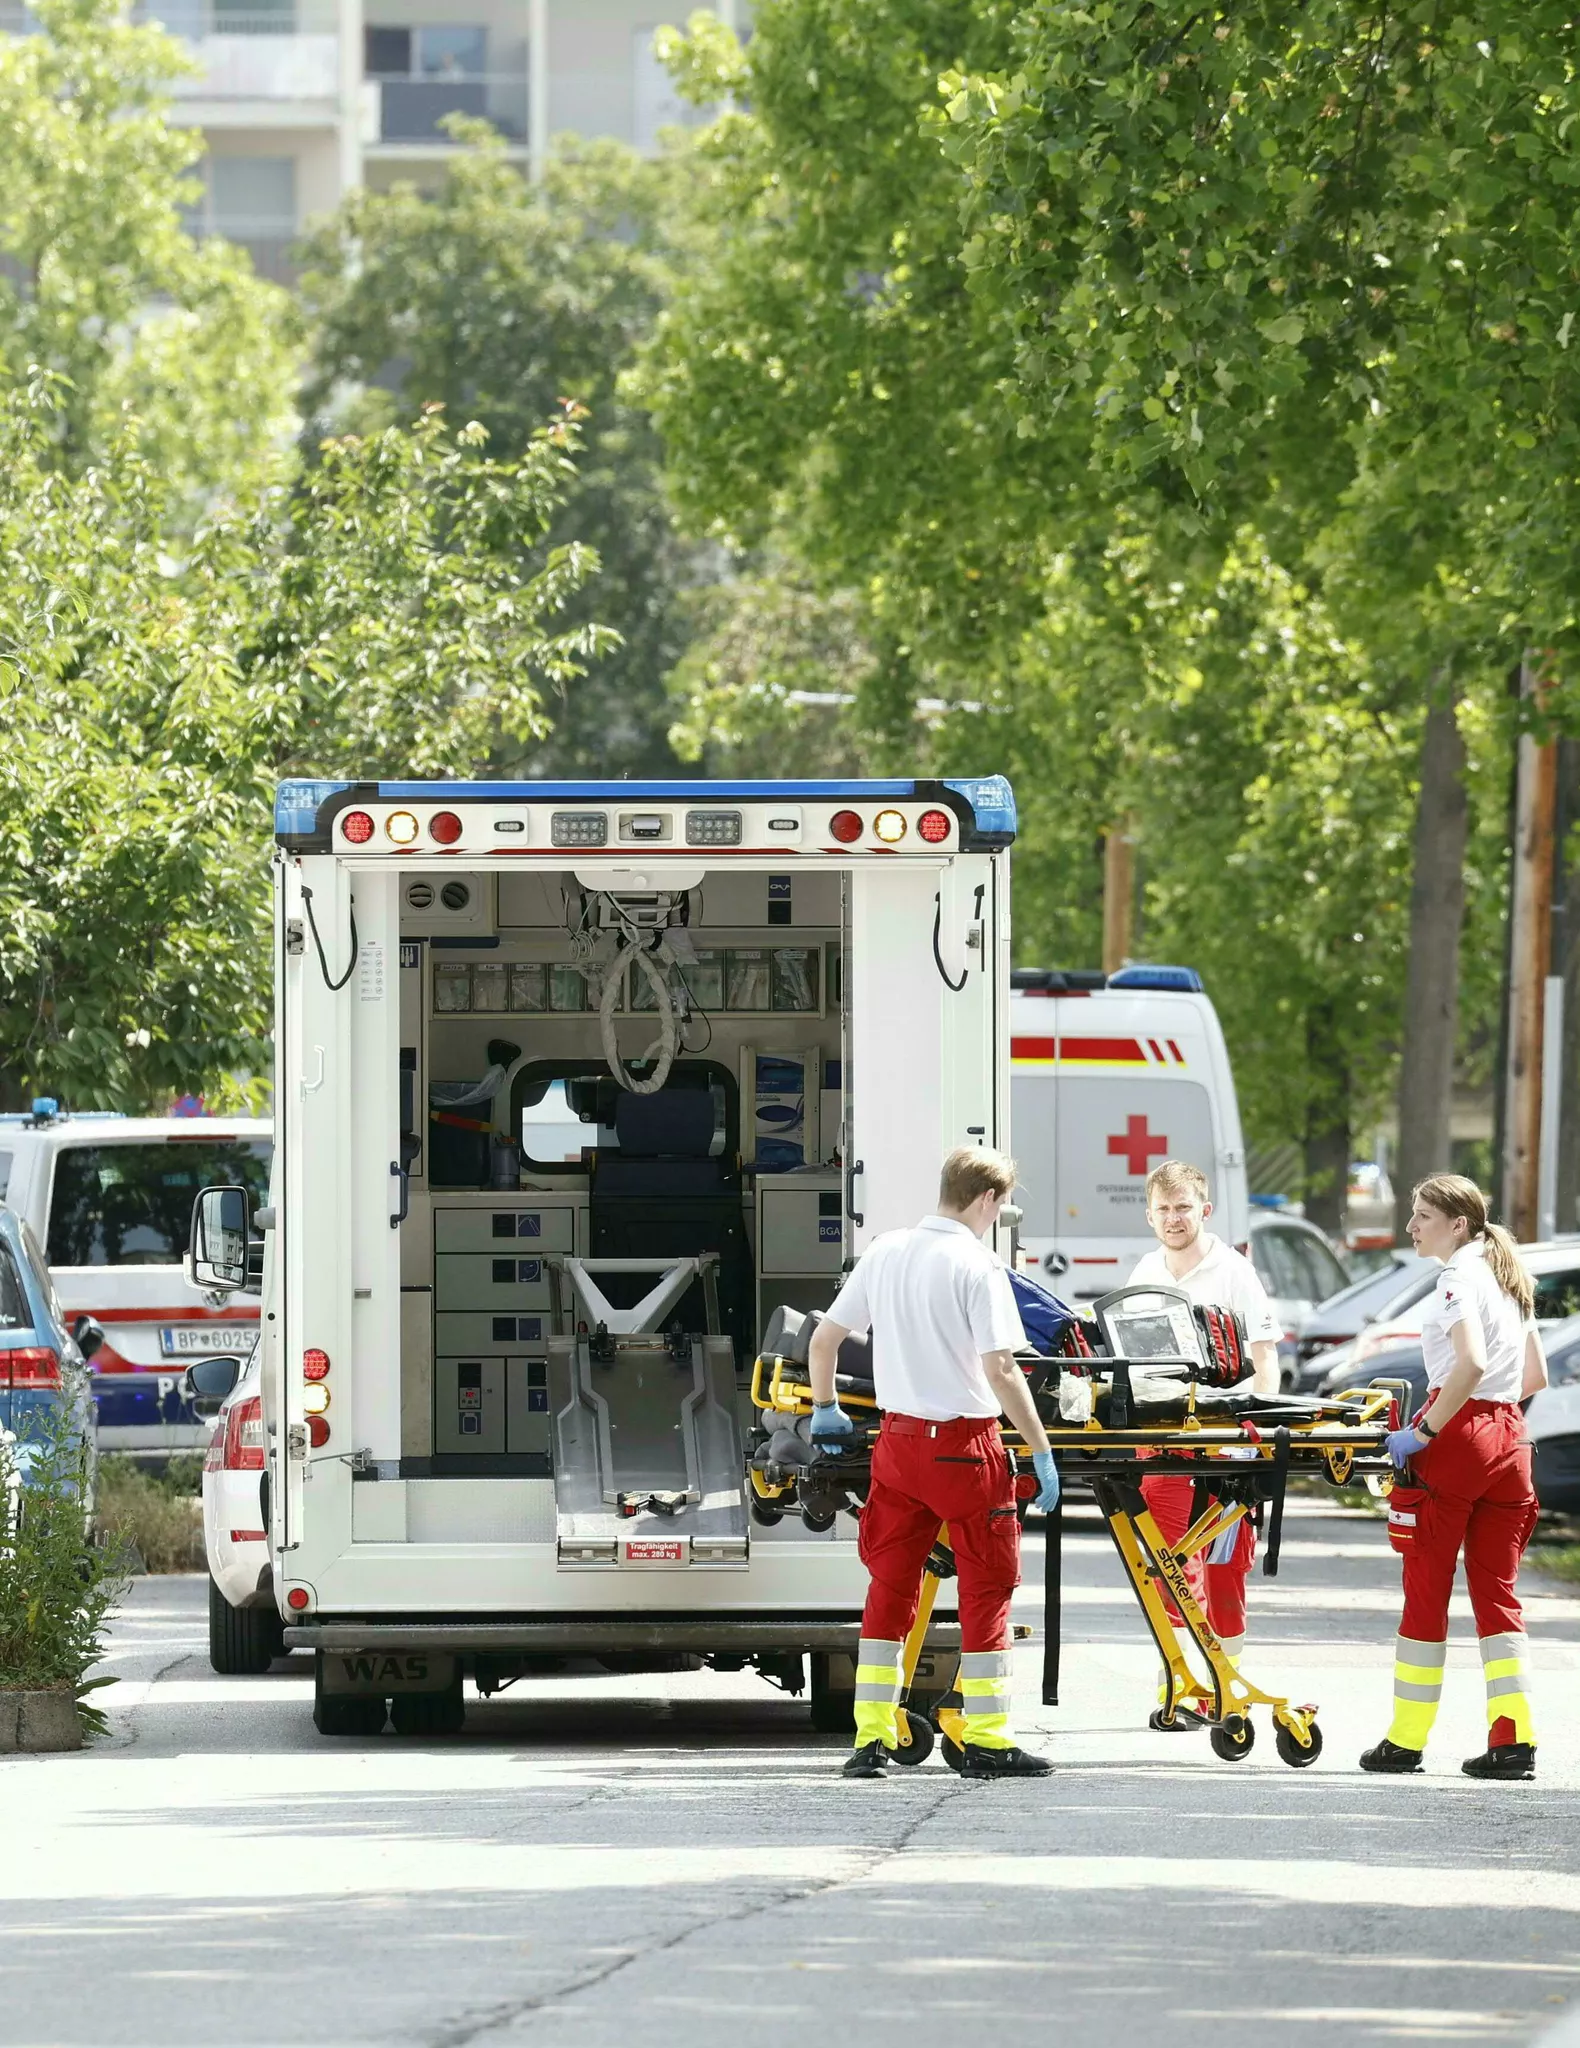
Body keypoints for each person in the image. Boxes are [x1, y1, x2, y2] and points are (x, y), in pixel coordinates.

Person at [807, 1146, 1061, 1780]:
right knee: (985, 1590)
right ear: (987, 1199)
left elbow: (824, 1339)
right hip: (964, 1451)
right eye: (1001, 1206)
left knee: (890, 1589)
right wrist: (1040, 1447)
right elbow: (1001, 1370)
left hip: (897, 1447)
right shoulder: (978, 1265)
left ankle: (870, 1738)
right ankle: (988, 1741)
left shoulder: (886, 1251)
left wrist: (826, 1407)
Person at [1360, 1174, 1547, 1781]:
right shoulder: (1510, 1277)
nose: (1411, 1226)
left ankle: (1406, 1740)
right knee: (1498, 1594)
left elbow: (1470, 1363)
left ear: (1457, 1224)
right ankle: (1513, 1741)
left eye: (1422, 1215)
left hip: (1458, 1437)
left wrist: (1425, 1432)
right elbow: (1534, 1377)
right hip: (1511, 1438)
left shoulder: (1457, 1280)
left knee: (1426, 1589)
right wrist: (1494, 1420)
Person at [1125, 1159, 1282, 1723]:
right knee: (1167, 1563)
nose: (1174, 1218)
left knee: (1223, 1570)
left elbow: (1265, 1359)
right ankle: (1182, 1686)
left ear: (1205, 1211)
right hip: (1162, 1437)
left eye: (1183, 1207)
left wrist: (1254, 1437)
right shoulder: (1145, 1271)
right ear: (1149, 1215)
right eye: (1164, 1209)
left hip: (1223, 1437)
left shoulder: (1234, 1272)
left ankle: (1225, 1686)